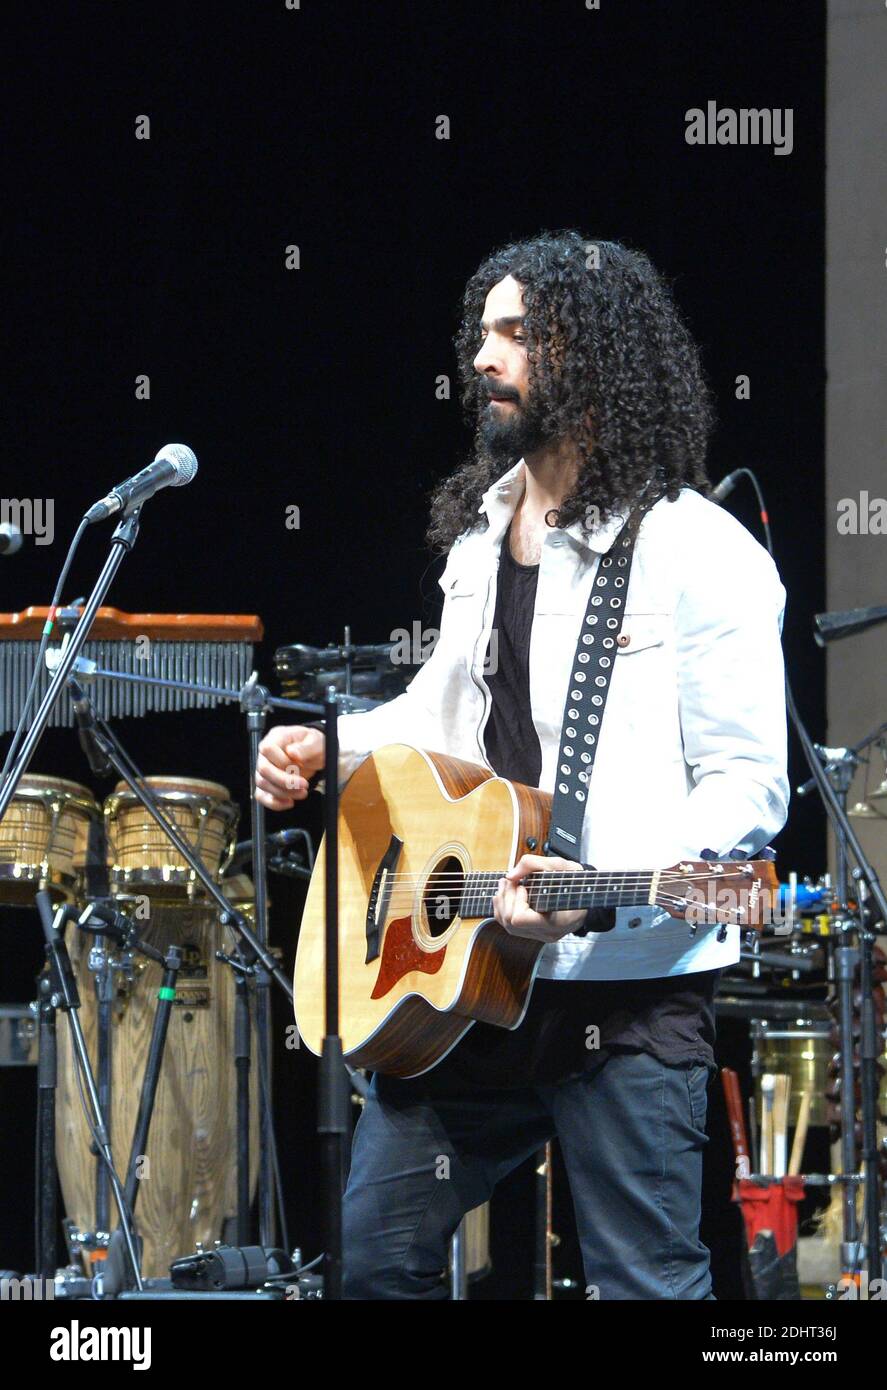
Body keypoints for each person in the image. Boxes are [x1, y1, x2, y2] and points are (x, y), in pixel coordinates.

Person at [255, 231, 789, 1299]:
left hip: (628, 995)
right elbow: (440, 711)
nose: (483, 358)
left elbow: (746, 784)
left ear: (589, 353)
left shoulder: (700, 550)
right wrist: (334, 743)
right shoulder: (476, 544)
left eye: (514, 334)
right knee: (371, 1260)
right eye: (481, 333)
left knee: (644, 1283)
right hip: (470, 986)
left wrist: (595, 894)